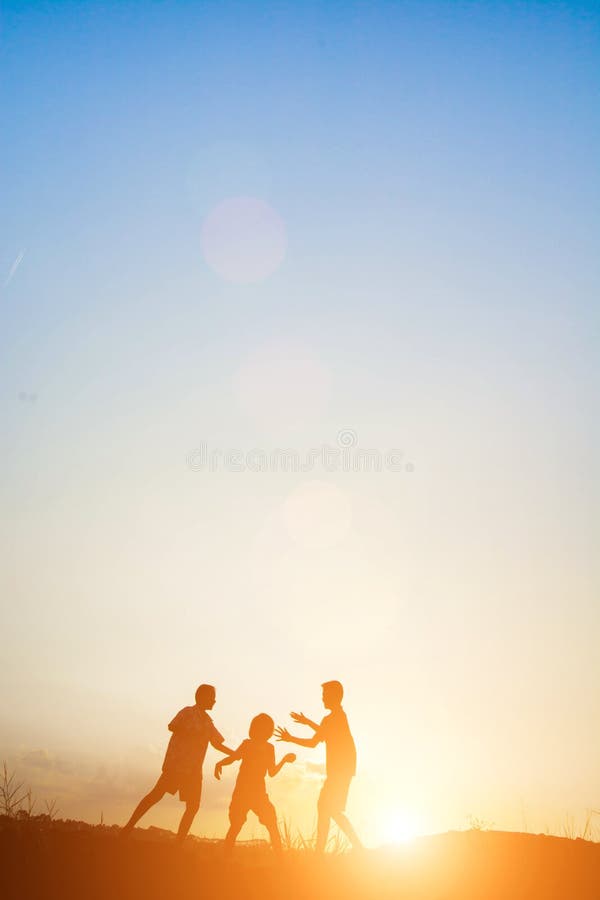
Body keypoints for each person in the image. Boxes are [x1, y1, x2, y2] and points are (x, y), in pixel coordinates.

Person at [122, 684, 233, 843]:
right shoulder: (187, 712)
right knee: (155, 796)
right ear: (202, 697)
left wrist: (236, 754)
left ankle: (178, 844)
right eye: (212, 697)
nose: (215, 701)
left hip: (193, 771)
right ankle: (128, 828)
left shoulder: (208, 722)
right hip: (177, 766)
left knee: (193, 807)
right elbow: (172, 726)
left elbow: (217, 744)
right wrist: (191, 733)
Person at [275, 680, 362, 853]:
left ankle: (323, 851)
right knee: (332, 810)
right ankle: (353, 847)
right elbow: (325, 733)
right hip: (343, 770)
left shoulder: (334, 718)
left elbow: (314, 741)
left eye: (325, 696)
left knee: (326, 807)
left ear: (334, 696)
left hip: (340, 770)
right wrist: (307, 722)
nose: (322, 699)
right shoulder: (338, 716)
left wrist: (290, 738)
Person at [215, 713, 296, 855]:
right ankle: (225, 859)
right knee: (236, 826)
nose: (266, 732)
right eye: (264, 729)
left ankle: (281, 861)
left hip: (258, 792)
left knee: (271, 825)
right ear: (256, 729)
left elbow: (271, 772)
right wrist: (221, 762)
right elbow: (234, 757)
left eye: (268, 729)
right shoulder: (247, 744)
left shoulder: (269, 748)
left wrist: (284, 760)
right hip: (243, 791)